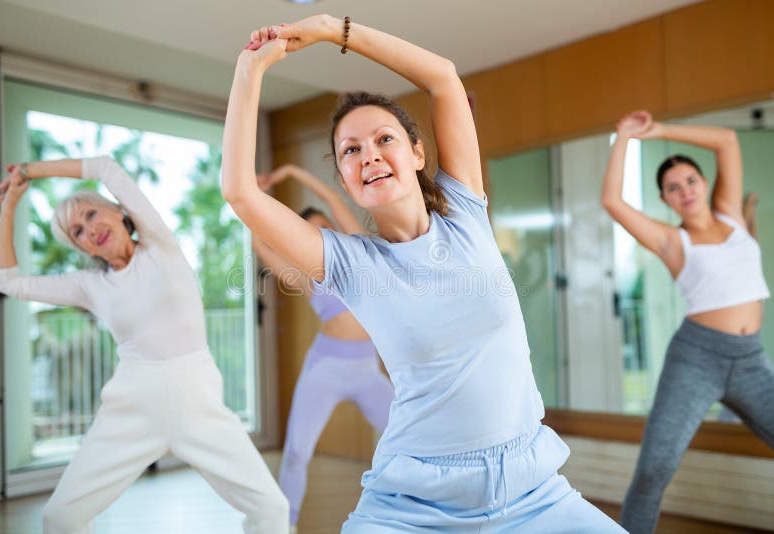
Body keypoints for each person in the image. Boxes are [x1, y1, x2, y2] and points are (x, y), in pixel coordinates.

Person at [222, 14, 624, 532]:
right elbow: (240, 193)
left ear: (416, 153)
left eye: (383, 139)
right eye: (350, 150)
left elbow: (443, 78)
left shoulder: (465, 213)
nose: (368, 154)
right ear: (344, 178)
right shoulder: (351, 264)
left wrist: (333, 29)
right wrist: (248, 71)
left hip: (533, 492)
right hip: (413, 505)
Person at [0, 157, 288, 534]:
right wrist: (12, 205)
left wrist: (27, 173)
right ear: (82, 248)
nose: (90, 228)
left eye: (91, 214)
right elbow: (8, 282)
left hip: (198, 401)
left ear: (118, 211)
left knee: (271, 509)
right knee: (61, 517)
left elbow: (104, 167)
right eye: (77, 231)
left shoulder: (159, 244)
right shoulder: (90, 286)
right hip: (132, 405)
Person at [600, 111, 774, 533]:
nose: (685, 192)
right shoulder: (670, 240)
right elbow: (612, 201)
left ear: (704, 182)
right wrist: (625, 135)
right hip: (696, 359)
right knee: (654, 470)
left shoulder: (732, 215)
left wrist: (659, 129)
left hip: (751, 360)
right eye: (673, 189)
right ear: (665, 200)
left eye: (690, 181)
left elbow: (727, 141)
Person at [254, 164, 393, 529]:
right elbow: (257, 239)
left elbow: (333, 196)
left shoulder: (364, 257)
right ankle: (285, 524)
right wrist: (255, 195)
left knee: (410, 437)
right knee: (297, 453)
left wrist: (288, 172)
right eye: (312, 230)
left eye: (326, 224)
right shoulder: (307, 277)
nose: (323, 231)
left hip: (367, 371)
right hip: (325, 370)